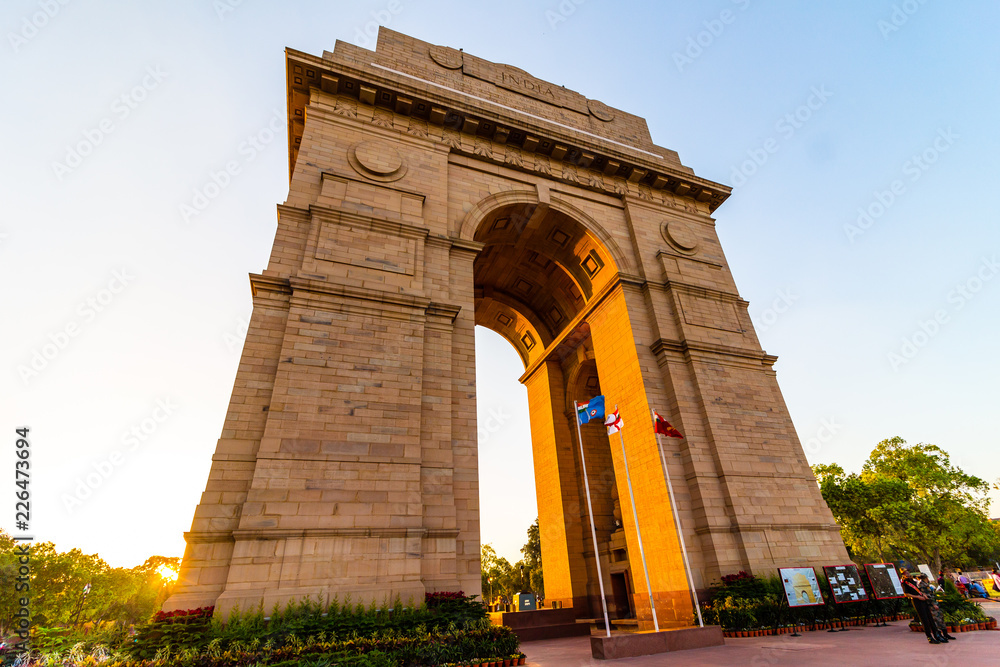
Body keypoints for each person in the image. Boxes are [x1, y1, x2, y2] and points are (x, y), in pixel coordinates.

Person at [901, 569, 948, 644]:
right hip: (916, 601)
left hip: (923, 600)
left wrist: (923, 595)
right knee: (924, 620)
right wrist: (918, 597)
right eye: (905, 573)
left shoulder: (913, 581)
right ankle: (929, 637)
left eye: (907, 572)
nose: (907, 574)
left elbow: (918, 590)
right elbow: (906, 594)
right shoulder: (905, 583)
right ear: (903, 575)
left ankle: (937, 635)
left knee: (930, 618)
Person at [918, 574, 956, 641]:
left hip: (934, 603)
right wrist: (933, 604)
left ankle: (945, 634)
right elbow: (927, 596)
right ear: (925, 578)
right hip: (931, 605)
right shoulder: (922, 585)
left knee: (941, 618)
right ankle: (939, 635)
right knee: (936, 620)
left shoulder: (926, 584)